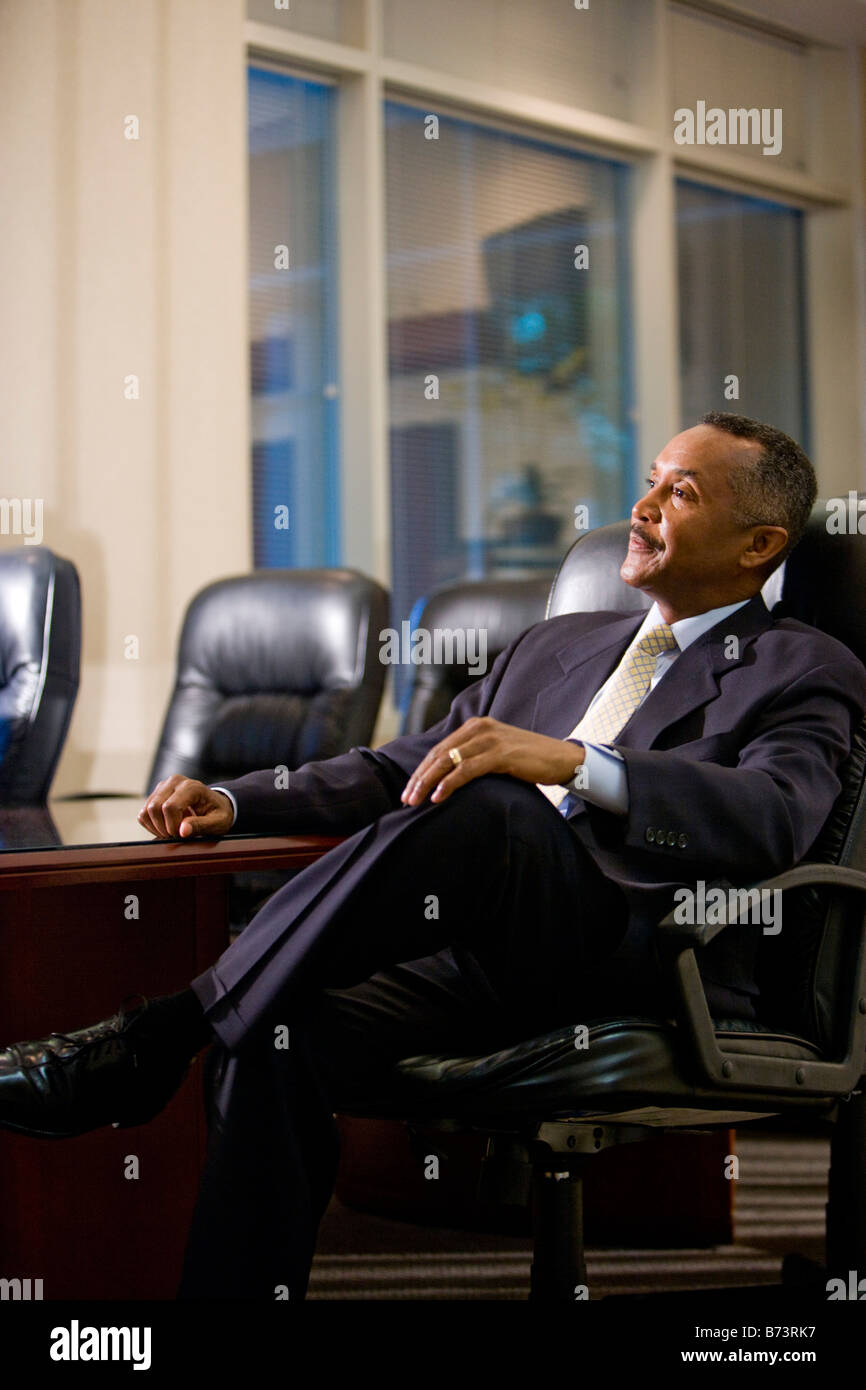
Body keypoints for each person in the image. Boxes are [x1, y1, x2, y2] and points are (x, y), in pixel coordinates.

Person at [1, 411, 864, 1300]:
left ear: (759, 543)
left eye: (679, 493)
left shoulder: (802, 666)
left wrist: (577, 763)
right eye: (650, 479)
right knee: (269, 1031)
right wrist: (234, 799)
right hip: (480, 960)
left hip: (650, 959)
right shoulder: (556, 646)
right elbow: (397, 768)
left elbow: (773, 817)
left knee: (492, 805)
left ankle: (151, 1040)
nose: (642, 507)